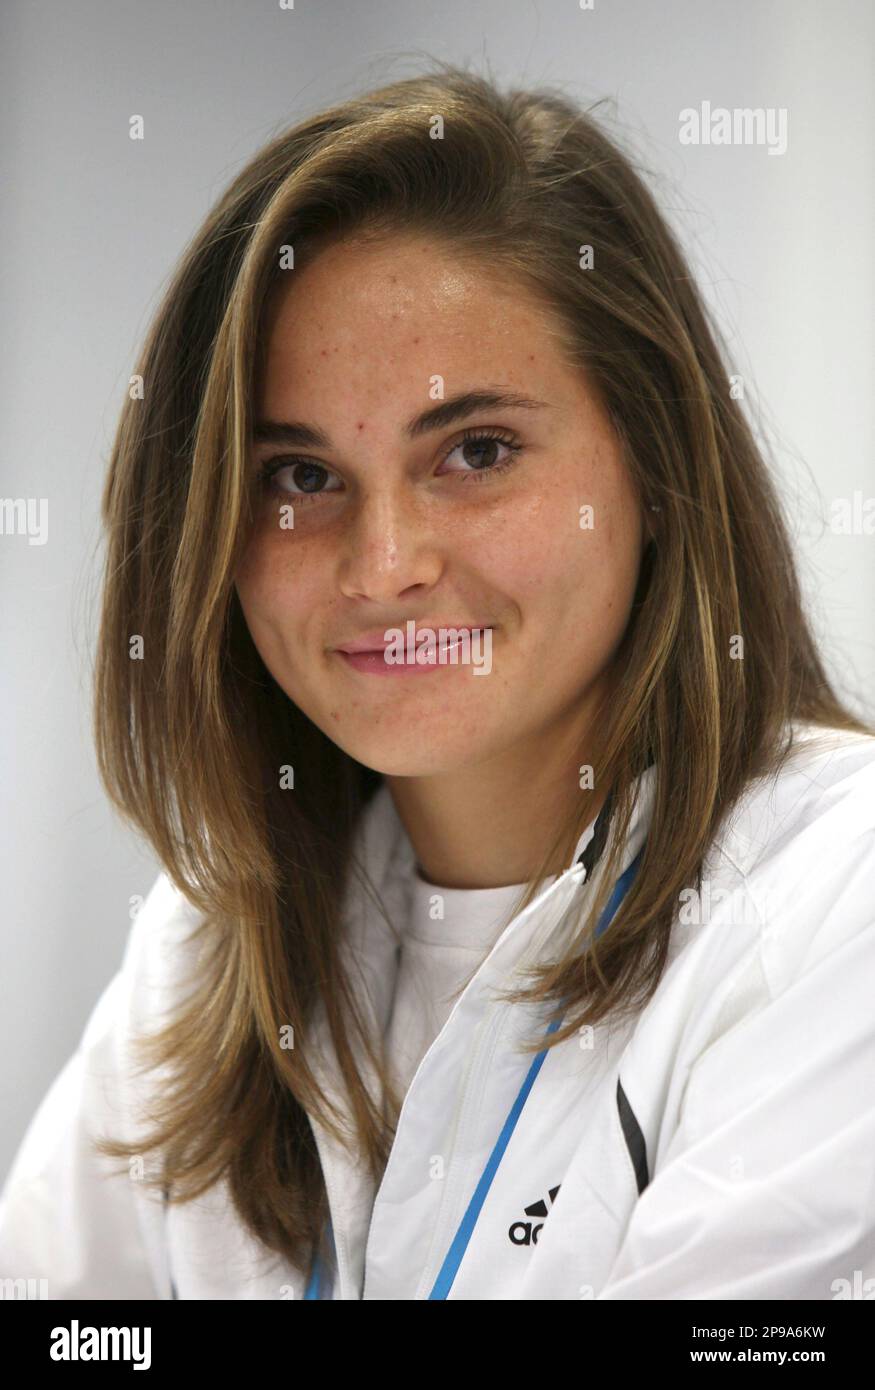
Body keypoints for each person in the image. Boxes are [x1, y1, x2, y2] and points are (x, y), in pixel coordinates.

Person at [2, 61, 874, 1301]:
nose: (385, 565)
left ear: (655, 461)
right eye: (299, 477)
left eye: (474, 451)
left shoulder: (836, 894)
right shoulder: (209, 951)